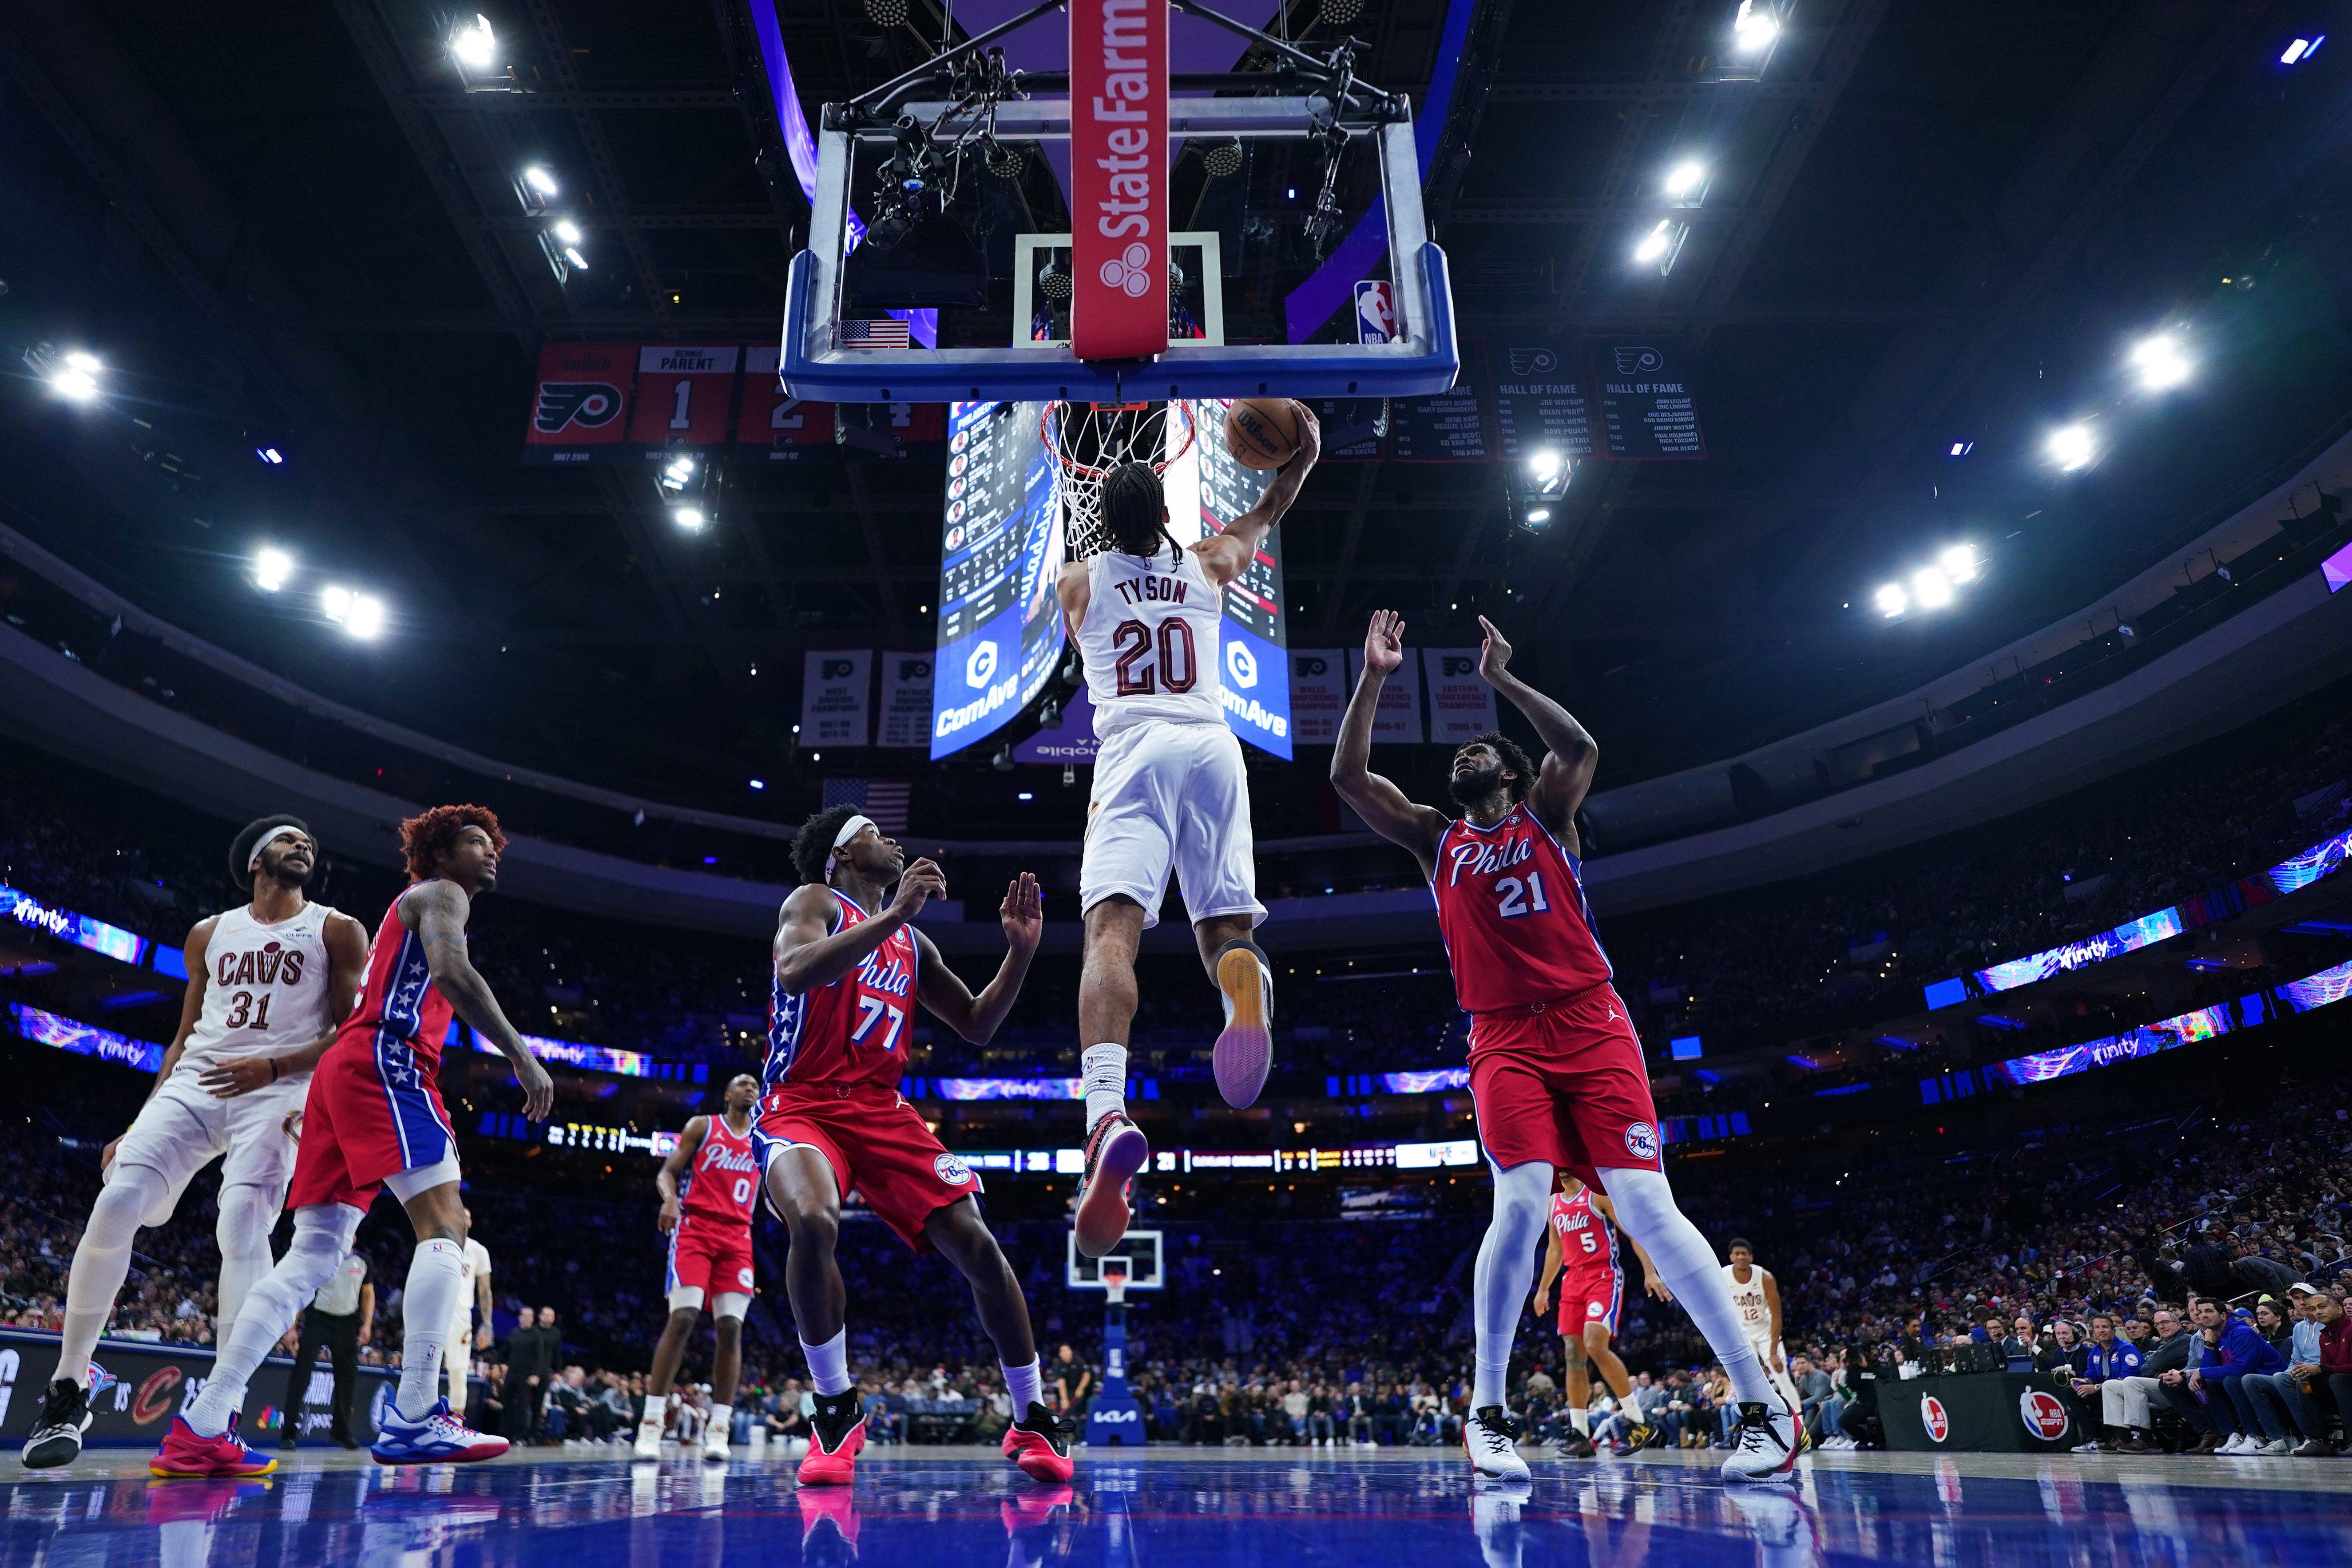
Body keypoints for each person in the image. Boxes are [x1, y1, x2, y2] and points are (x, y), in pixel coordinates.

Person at [1329, 608, 1799, 1484]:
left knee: (1650, 1211)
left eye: (1488, 749)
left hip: (1589, 1021)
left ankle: (1763, 1404)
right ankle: (1487, 1410)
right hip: (1503, 1037)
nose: (1469, 754)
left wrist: (1502, 679)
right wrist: (1372, 676)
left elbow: (1579, 745)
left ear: (1508, 771)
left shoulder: (1548, 811)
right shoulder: (1436, 836)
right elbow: (1349, 775)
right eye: (1460, 753)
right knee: (1515, 1209)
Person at [148, 805, 555, 1476]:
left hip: (344, 1070)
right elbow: (453, 973)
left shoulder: (416, 902)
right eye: (477, 842)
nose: (492, 853)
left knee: (313, 1254)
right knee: (446, 1223)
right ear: (440, 852)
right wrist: (520, 1053)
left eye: (493, 844)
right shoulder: (439, 893)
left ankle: (205, 1419)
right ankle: (419, 1412)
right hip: (387, 1059)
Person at [1054, 405, 1323, 1255]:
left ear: (1100, 517)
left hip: (1132, 748)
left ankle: (1105, 1116)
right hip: (1212, 747)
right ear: (1169, 516)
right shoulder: (1211, 561)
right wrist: (1305, 451)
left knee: (1111, 934)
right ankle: (1241, 984)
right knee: (1226, 928)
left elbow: (1086, 596)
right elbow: (1270, 509)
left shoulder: (1076, 581)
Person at [21, 817, 369, 1469]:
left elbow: (355, 1034)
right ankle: (69, 1388)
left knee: (242, 1229)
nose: (305, 850)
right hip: (199, 1082)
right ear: (256, 859)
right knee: (118, 1200)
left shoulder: (336, 928)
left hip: (279, 1091)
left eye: (310, 847)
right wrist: (138, 1119)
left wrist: (276, 1071)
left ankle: (219, 1414)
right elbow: (183, 1035)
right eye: (291, 841)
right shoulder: (210, 933)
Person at [760, 806, 1070, 1486]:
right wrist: (896, 914)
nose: (892, 840)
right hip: (802, 1102)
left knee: (979, 1244)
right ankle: (836, 1409)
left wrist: (1019, 952)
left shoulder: (912, 944)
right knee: (813, 1221)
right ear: (840, 857)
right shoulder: (815, 901)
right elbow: (795, 973)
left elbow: (977, 1023)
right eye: (874, 833)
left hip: (882, 1109)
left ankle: (1032, 1417)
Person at [635, 1073, 763, 1461]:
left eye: (755, 1086)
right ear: (727, 1094)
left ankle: (719, 1428)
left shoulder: (765, 1136)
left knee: (731, 1327)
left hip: (739, 1236)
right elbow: (666, 1172)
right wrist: (670, 1199)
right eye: (742, 1084)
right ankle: (652, 1424)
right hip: (695, 1229)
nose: (750, 1089)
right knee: (685, 1317)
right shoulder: (703, 1126)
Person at [1530, 1173, 1665, 1458]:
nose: (1563, 1167)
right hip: (1572, 1281)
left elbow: (1631, 1232)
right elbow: (1555, 1250)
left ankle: (1639, 1422)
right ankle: (1580, 1434)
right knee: (1573, 1356)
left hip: (1603, 1275)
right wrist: (1543, 1289)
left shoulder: (1597, 1194)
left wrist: (1650, 1272)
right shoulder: (1553, 1203)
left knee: (1594, 1344)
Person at [281, 1246, 371, 1450]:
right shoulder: (323, 1255)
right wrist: (292, 1327)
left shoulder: (363, 1261)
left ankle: (340, 1432)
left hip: (348, 1323)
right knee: (301, 1374)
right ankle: (288, 1434)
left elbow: (368, 1293)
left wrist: (367, 1324)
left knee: (347, 1378)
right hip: (318, 1319)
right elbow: (304, 1290)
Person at [1723, 1241, 1807, 1423]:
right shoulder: (1723, 1276)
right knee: (1746, 1382)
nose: (1740, 1257)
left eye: (1744, 1254)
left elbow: (1777, 1316)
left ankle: (1800, 1425)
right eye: (1736, 1254)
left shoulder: (1765, 1277)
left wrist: (1773, 1352)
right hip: (1743, 1334)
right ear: (1731, 1257)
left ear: (1751, 1257)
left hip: (1765, 1331)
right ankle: (1753, 1423)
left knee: (1782, 1376)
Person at [2067, 1313, 2142, 1452]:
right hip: (2103, 1391)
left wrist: (2096, 1387)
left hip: (2125, 1394)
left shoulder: (2127, 1349)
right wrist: (2083, 1381)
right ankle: (2095, 1439)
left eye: (2105, 1327)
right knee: (2071, 1391)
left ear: (2113, 1330)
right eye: (2097, 1327)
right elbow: (2092, 1375)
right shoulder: (2095, 1351)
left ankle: (2122, 1437)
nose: (2101, 1330)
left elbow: (2127, 1379)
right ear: (2093, 1332)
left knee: (2110, 1389)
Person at [447, 1211, 492, 1420]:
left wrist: (488, 1324)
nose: (462, 1219)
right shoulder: (438, 1243)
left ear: (471, 1222)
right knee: (423, 1366)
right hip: (434, 1311)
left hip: (460, 1314)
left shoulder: (478, 1250)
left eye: (466, 1216)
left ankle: (456, 1423)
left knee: (458, 1371)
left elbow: (485, 1291)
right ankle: (416, 1421)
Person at [503, 1305, 556, 1443]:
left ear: (533, 1319)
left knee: (523, 1406)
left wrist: (536, 1374)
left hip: (527, 1375)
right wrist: (498, 1363)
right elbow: (505, 1351)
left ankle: (521, 1436)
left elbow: (540, 1358)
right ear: (519, 1318)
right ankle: (505, 1434)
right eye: (523, 1316)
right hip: (512, 1373)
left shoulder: (537, 1336)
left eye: (529, 1317)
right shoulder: (514, 1333)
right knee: (507, 1404)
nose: (526, 1319)